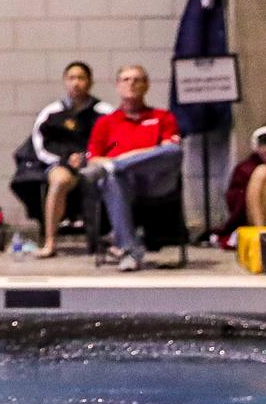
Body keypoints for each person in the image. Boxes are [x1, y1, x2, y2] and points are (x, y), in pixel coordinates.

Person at [81, 65, 182, 273]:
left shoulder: (163, 117)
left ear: (146, 85)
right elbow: (93, 161)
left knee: (174, 151)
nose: (132, 84)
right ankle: (129, 252)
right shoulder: (105, 122)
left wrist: (121, 160)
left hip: (157, 181)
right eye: (126, 80)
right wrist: (129, 161)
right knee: (112, 178)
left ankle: (115, 165)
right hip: (123, 185)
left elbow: (169, 151)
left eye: (137, 80)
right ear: (118, 85)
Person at [23, 61, 111, 258]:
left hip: (96, 163)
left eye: (81, 78)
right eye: (71, 78)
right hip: (63, 165)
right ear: (65, 81)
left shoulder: (105, 111)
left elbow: (115, 142)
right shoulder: (51, 112)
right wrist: (65, 160)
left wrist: (89, 158)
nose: (76, 83)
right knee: (58, 181)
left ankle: (111, 239)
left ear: (90, 82)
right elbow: (40, 146)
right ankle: (50, 242)